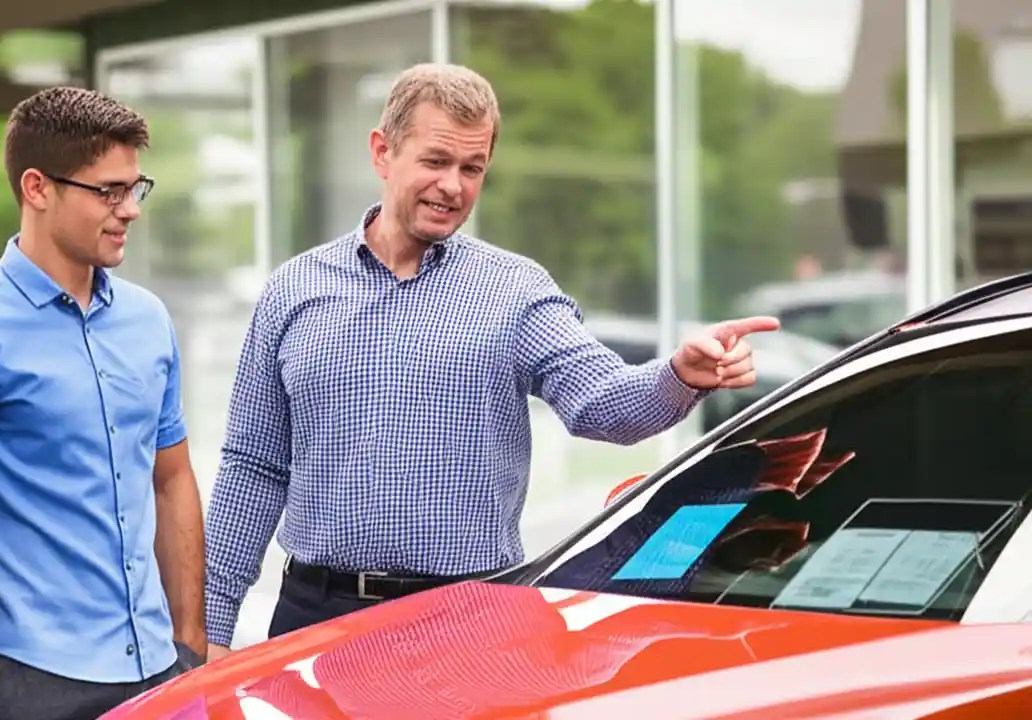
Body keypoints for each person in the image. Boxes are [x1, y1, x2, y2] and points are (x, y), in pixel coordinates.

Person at [203, 62, 780, 658]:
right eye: (435, 161)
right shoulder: (294, 288)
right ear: (383, 152)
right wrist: (211, 623)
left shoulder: (515, 290)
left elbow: (605, 405)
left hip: (468, 623)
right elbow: (254, 464)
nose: (453, 186)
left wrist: (680, 375)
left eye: (472, 168)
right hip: (313, 619)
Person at [0, 86, 206, 720]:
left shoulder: (148, 319)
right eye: (108, 191)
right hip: (34, 677)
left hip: (157, 664)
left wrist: (190, 643)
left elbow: (171, 480)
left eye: (135, 188)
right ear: (37, 188)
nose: (130, 210)